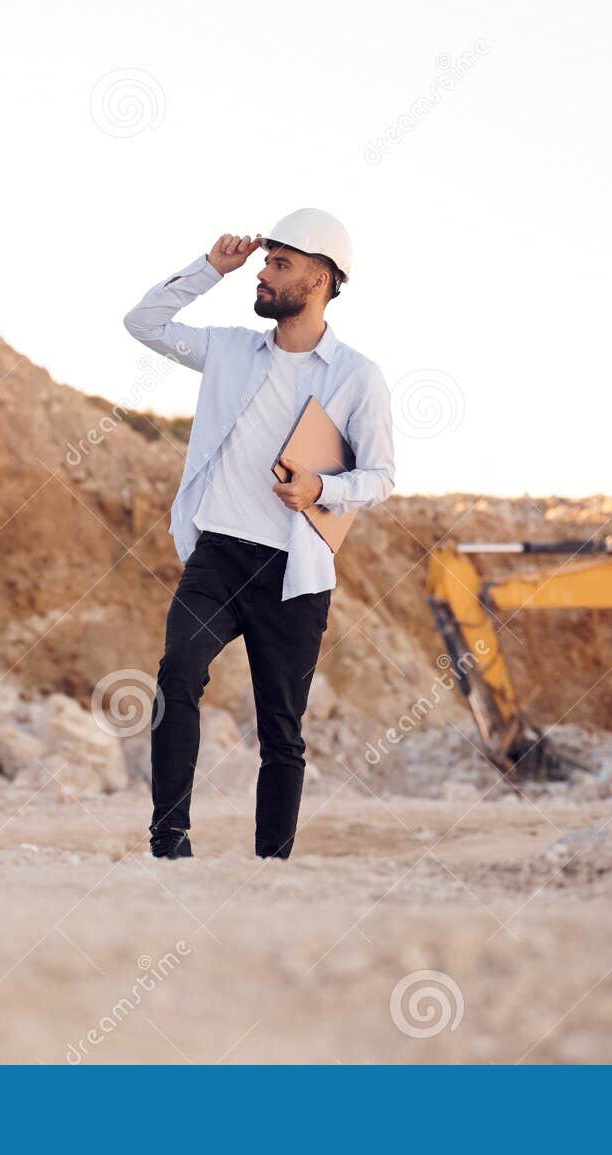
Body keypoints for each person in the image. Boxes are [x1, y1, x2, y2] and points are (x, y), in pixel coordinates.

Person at [122, 208, 395, 859]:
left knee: (281, 728)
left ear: (322, 278)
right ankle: (169, 842)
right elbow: (144, 323)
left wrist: (321, 490)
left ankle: (272, 865)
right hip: (217, 550)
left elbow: (380, 475)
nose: (264, 274)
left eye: (280, 264)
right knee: (177, 670)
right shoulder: (229, 350)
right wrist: (209, 269)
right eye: (265, 262)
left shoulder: (358, 375)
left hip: (295, 567)